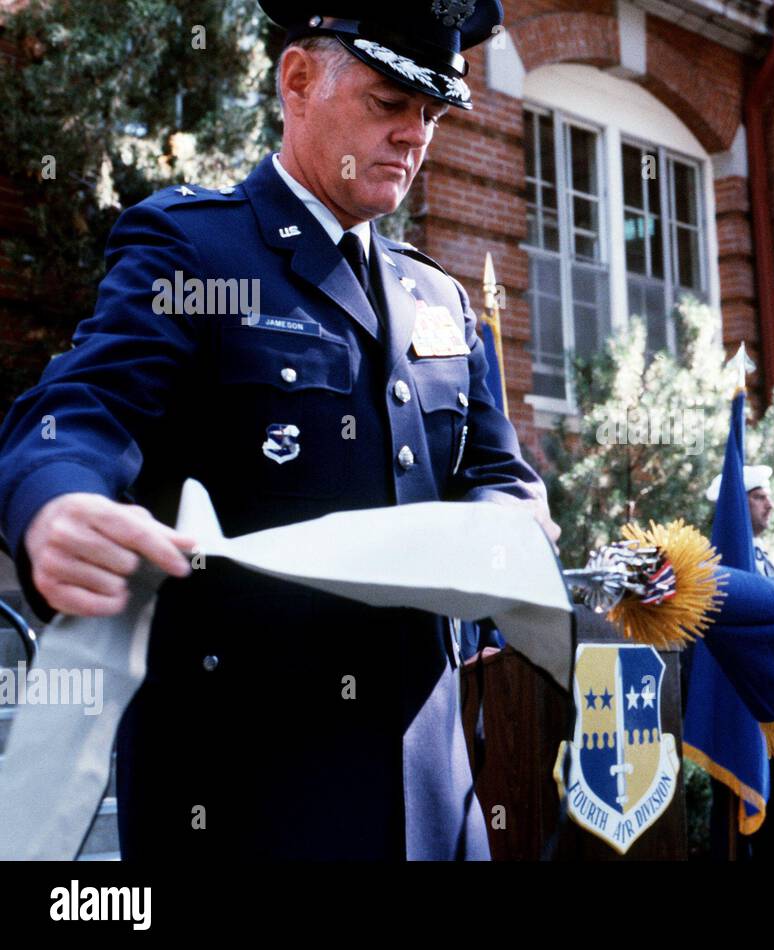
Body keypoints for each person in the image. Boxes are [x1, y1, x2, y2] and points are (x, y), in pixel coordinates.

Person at [0, 1, 557, 860]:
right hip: (251, 804)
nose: (415, 135)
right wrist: (57, 500)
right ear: (298, 80)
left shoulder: (437, 299)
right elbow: (81, 411)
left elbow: (496, 471)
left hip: (435, 803)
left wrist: (516, 521)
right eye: (388, 102)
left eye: (432, 114)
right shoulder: (198, 254)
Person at [705, 463, 774, 858]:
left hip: (773, 704)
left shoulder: (764, 557)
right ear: (736, 506)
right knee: (737, 829)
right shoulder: (720, 563)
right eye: (758, 496)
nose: (769, 504)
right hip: (741, 710)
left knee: (772, 825)